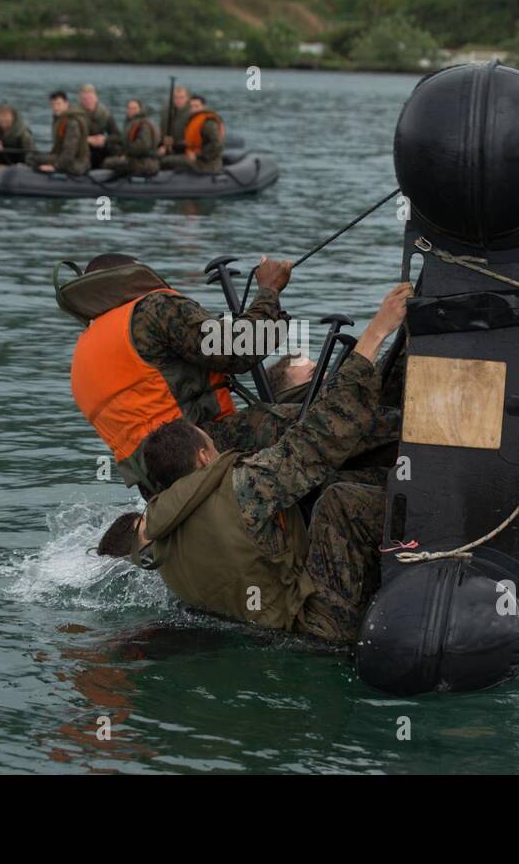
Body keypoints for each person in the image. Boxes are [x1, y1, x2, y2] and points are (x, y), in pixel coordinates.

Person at [97, 282, 412, 644]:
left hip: (265, 627)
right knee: (339, 500)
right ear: (203, 456)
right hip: (318, 628)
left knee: (332, 484)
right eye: (213, 447)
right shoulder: (242, 488)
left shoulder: (160, 541)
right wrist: (377, 331)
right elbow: (320, 439)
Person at [62, 252, 301, 493]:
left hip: (155, 482)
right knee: (311, 422)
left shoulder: (83, 355)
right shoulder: (152, 308)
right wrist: (269, 290)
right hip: (202, 447)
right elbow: (240, 350)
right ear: (130, 273)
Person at [160, 94, 224, 174]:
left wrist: (199, 155)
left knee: (165, 161)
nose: (194, 109)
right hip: (194, 157)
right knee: (167, 157)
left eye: (197, 106)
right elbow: (191, 143)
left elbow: (217, 145)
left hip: (207, 164)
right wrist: (173, 145)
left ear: (203, 106)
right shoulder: (193, 120)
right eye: (192, 106)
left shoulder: (208, 123)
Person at [33, 91, 90, 176]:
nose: (55, 107)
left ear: (66, 103)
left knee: (37, 160)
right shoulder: (61, 119)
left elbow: (70, 151)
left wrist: (55, 167)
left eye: (58, 104)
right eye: (53, 105)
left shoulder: (72, 123)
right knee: (36, 157)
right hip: (64, 157)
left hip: (77, 162)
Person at [101, 99, 160, 177]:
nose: (131, 111)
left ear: (140, 109)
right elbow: (124, 139)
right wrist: (105, 140)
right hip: (137, 159)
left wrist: (126, 154)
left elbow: (143, 146)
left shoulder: (144, 125)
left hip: (145, 162)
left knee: (107, 162)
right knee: (111, 149)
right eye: (129, 108)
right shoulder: (131, 123)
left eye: (134, 108)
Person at [78, 83, 120, 168]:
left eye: (90, 98)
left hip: (99, 146)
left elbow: (117, 135)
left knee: (116, 146)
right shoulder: (75, 114)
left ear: (96, 98)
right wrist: (87, 140)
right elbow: (68, 137)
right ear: (80, 100)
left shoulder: (104, 113)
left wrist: (105, 139)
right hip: (81, 146)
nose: (87, 101)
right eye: (84, 99)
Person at [158, 84, 190, 155]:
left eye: (181, 97)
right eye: (176, 97)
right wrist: (162, 144)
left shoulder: (192, 113)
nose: (178, 100)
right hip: (166, 147)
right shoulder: (165, 112)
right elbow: (161, 131)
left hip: (185, 149)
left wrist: (174, 144)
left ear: (187, 98)